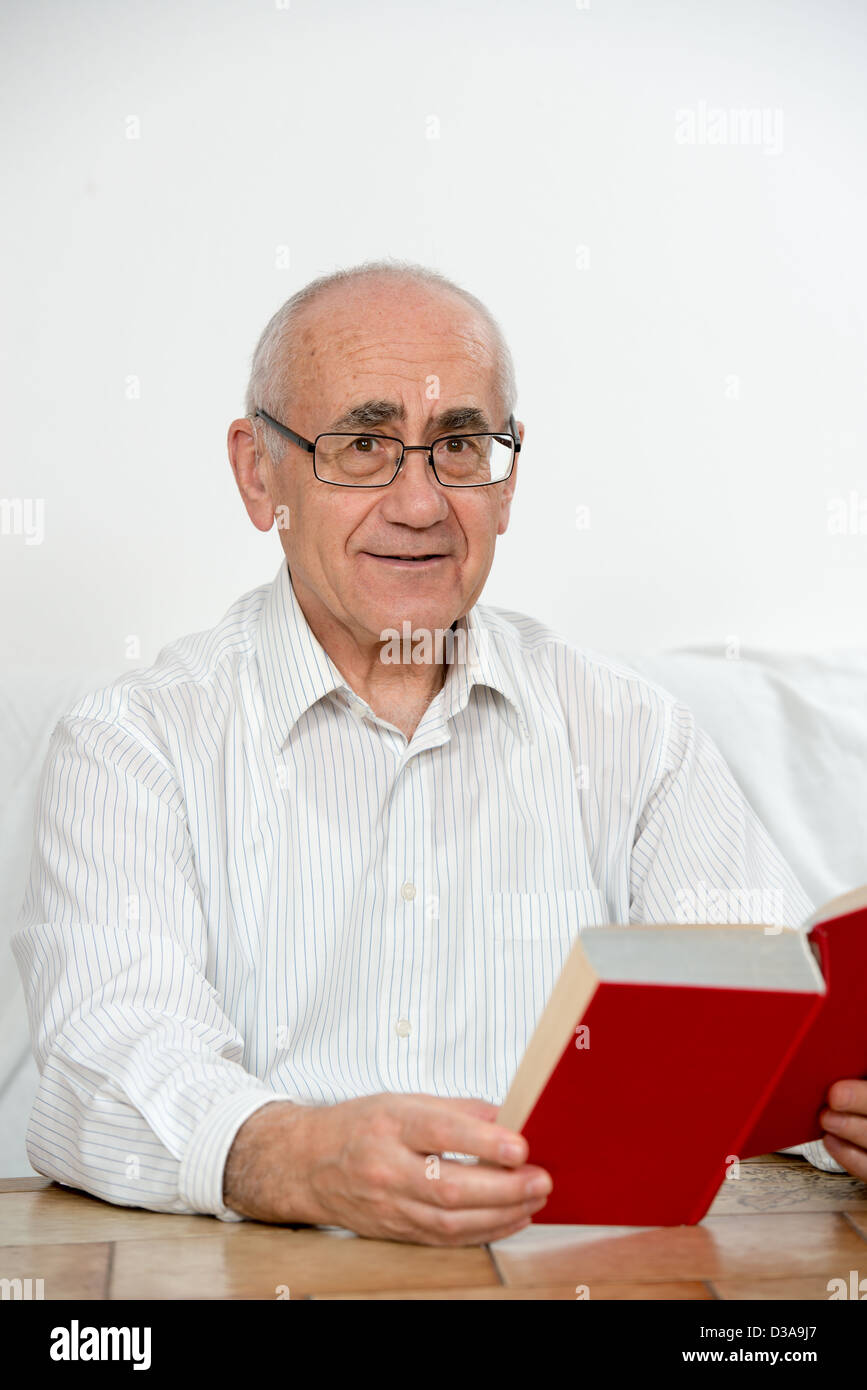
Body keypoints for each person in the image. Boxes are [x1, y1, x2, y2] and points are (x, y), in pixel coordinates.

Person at [13, 261, 865, 1247]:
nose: (419, 502)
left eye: (459, 445)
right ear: (259, 473)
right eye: (364, 444)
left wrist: (840, 1112)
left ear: (508, 479)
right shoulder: (133, 744)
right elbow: (107, 1054)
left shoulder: (639, 733)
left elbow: (763, 1037)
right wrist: (291, 1155)